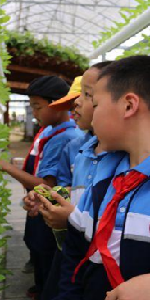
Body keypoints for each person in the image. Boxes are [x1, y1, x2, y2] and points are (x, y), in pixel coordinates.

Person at [53, 55, 150, 300]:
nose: (91, 115)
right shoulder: (104, 178)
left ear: (128, 105)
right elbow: (74, 258)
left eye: (95, 105)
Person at [24, 62, 117, 300]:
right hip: (71, 249)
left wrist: (73, 219)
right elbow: (74, 189)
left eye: (88, 95)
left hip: (98, 261)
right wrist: (47, 196)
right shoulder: (83, 149)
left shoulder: (126, 161)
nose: (75, 103)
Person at [0, 76, 80, 299]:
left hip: (50, 205)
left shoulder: (64, 138)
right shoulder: (50, 132)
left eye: (37, 107)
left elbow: (46, 185)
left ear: (58, 105)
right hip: (43, 202)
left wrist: (6, 168)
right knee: (40, 249)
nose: (35, 113)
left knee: (47, 251)